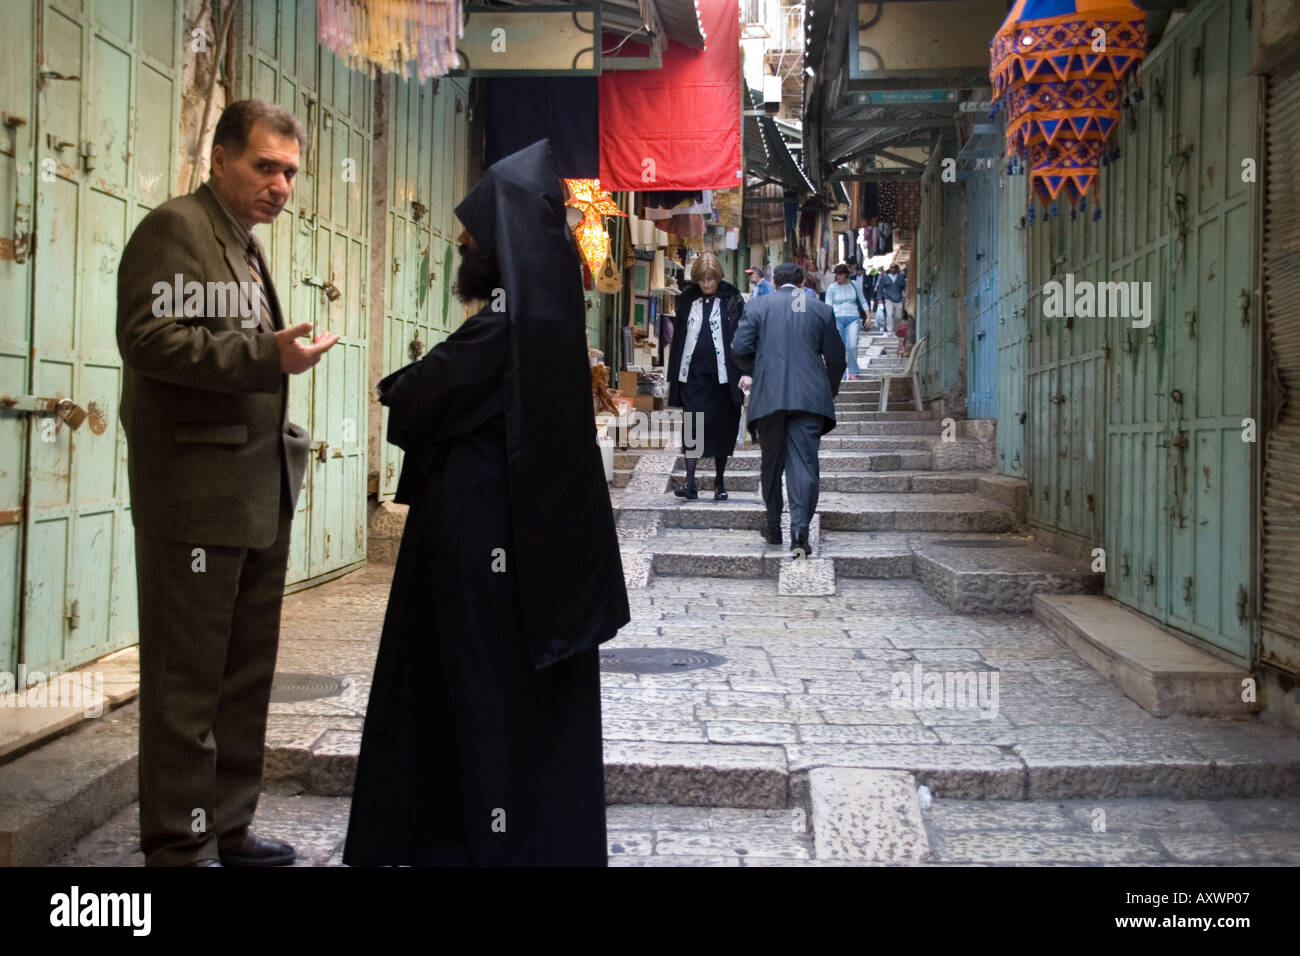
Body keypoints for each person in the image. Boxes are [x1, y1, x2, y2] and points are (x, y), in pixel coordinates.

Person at [343, 140, 629, 867]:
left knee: (477, 694)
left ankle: (472, 840)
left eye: (473, 229)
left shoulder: (506, 328)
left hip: (485, 555)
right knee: (508, 699)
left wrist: (400, 387)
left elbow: (412, 397)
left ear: (500, 238)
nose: (462, 241)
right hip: (517, 552)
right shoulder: (546, 320)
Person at [116, 100, 337, 866]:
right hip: (195, 501)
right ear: (219, 159)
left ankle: (228, 829)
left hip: (255, 495)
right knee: (188, 686)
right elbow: (147, 340)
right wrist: (263, 357)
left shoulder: (243, 245)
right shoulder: (176, 227)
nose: (280, 185)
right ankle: (179, 847)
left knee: (243, 677)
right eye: (265, 166)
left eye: (290, 173)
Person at [731, 263, 846, 558]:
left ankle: (772, 524)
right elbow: (836, 358)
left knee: (771, 462)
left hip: (769, 398)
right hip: (809, 400)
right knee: (804, 464)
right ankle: (800, 531)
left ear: (775, 281)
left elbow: (739, 348)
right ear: (802, 283)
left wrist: (760, 370)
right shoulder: (820, 310)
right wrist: (828, 390)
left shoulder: (758, 307)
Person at [666, 253, 745, 500]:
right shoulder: (687, 300)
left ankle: (719, 483)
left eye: (711, 279)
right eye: (702, 280)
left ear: (718, 277)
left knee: (722, 425)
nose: (707, 284)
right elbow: (679, 337)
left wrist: (746, 371)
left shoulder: (732, 298)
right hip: (693, 375)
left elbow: (742, 335)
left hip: (724, 376)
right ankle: (690, 482)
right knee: (693, 424)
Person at [825, 263, 872, 380]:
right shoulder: (832, 288)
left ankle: (853, 371)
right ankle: (841, 372)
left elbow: (863, 300)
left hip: (853, 318)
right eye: (836, 275)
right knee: (840, 347)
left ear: (846, 275)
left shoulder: (854, 285)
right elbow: (828, 306)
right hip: (837, 319)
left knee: (852, 345)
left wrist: (868, 316)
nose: (837, 277)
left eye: (840, 275)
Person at [878, 262, 906, 334]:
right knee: (889, 314)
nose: (893, 269)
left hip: (898, 298)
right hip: (888, 298)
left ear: (897, 269)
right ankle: (890, 330)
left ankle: (896, 329)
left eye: (894, 267)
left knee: (898, 316)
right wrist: (880, 299)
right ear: (889, 269)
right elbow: (880, 288)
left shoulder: (900, 277)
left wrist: (906, 296)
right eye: (891, 267)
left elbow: (904, 288)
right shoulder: (885, 277)